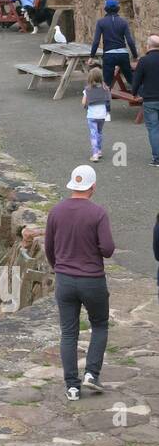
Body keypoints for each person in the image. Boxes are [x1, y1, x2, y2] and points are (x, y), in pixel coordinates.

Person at [44, 165, 114, 401]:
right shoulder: (98, 213)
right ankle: (92, 374)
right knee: (100, 325)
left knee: (69, 333)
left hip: (64, 280)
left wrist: (60, 268)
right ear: (92, 187)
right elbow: (107, 250)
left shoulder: (56, 212)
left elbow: (49, 249)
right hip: (92, 280)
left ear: (72, 185)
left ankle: (72, 386)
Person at [90, 0, 138, 90]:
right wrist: (135, 55)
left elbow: (96, 41)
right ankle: (143, 98)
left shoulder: (101, 22)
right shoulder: (123, 22)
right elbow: (130, 41)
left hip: (109, 55)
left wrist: (92, 56)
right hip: (123, 54)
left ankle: (105, 103)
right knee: (131, 79)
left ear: (106, 8)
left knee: (107, 82)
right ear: (117, 8)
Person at [131, 33, 159, 165]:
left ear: (148, 46)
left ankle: (157, 158)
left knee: (153, 128)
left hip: (150, 100)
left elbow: (136, 80)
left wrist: (134, 93)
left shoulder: (144, 61)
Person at [82, 66, 111, 163]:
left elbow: (83, 102)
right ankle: (99, 150)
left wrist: (85, 106)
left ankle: (95, 154)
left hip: (92, 115)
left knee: (93, 134)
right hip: (102, 115)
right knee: (99, 132)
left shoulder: (87, 89)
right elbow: (108, 101)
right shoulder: (105, 88)